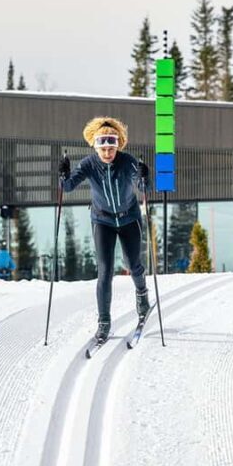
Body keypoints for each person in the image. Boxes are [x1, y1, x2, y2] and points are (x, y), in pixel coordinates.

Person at [58, 116, 151, 343]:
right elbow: (68, 187)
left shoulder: (127, 161)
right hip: (103, 221)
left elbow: (144, 187)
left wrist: (144, 175)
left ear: (118, 145)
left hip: (129, 218)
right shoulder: (89, 164)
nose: (108, 153)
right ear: (96, 146)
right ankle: (104, 322)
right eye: (104, 148)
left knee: (132, 264)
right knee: (105, 271)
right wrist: (63, 174)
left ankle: (142, 295)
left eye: (112, 148)